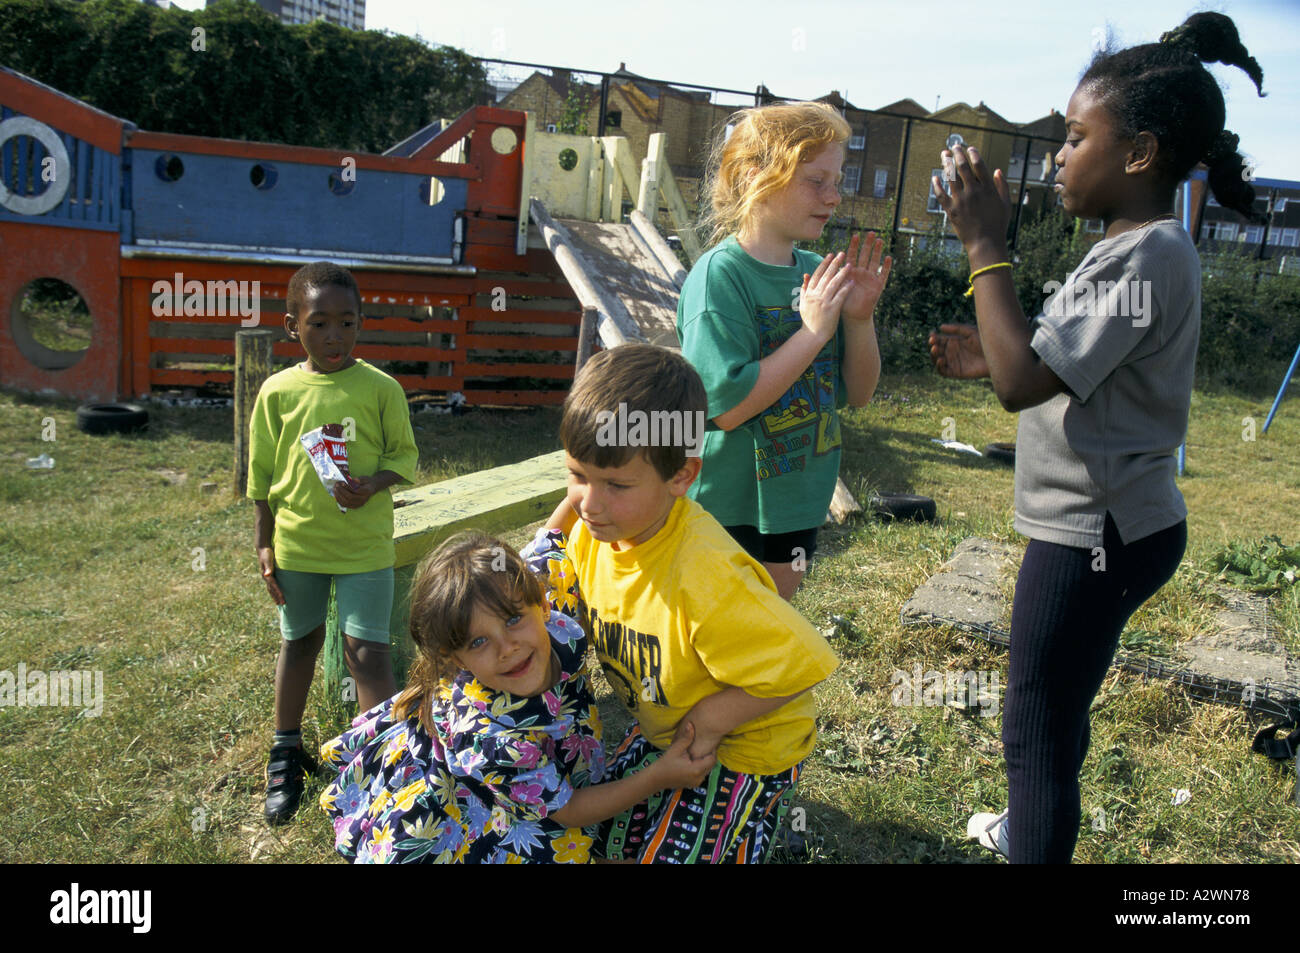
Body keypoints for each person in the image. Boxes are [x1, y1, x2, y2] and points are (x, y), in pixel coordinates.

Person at [927, 12, 1265, 863]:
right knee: (1057, 704)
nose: (1058, 158)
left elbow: (1023, 383)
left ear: (1140, 154)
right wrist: (997, 354)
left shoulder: (1145, 256)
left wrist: (982, 242)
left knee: (1032, 721)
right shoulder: (1135, 247)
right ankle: (1030, 827)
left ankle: (1032, 839)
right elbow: (1042, 366)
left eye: (1076, 139)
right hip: (1117, 522)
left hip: (1097, 534)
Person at [525, 344, 839, 863]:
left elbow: (801, 664)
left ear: (682, 476)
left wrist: (713, 720)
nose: (590, 504)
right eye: (578, 475)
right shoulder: (593, 532)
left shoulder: (706, 574)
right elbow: (552, 551)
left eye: (616, 484)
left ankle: (754, 822)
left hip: (745, 746)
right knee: (594, 839)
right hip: (665, 727)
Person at [317, 532, 714, 863]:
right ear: (454, 658)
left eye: (512, 620)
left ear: (540, 602)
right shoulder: (492, 740)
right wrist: (660, 776)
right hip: (470, 806)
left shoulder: (533, 592)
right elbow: (569, 809)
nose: (507, 648)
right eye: (478, 641)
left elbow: (554, 537)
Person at [676, 100, 893, 599]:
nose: (833, 196)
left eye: (837, 181)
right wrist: (813, 333)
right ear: (757, 175)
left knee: (769, 631)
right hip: (728, 504)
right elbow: (727, 408)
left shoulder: (816, 270)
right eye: (816, 180)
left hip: (796, 499)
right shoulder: (719, 277)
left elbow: (856, 394)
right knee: (721, 636)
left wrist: (858, 319)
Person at [247, 261, 419, 825]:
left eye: (347, 322)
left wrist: (375, 482)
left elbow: (404, 456)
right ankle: (284, 750)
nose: (334, 336)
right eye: (319, 323)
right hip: (298, 545)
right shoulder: (277, 393)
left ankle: (383, 763)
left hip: (365, 546)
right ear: (292, 325)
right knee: (300, 643)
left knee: (367, 652)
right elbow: (261, 477)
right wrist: (264, 544)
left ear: (361, 324)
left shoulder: (381, 389)